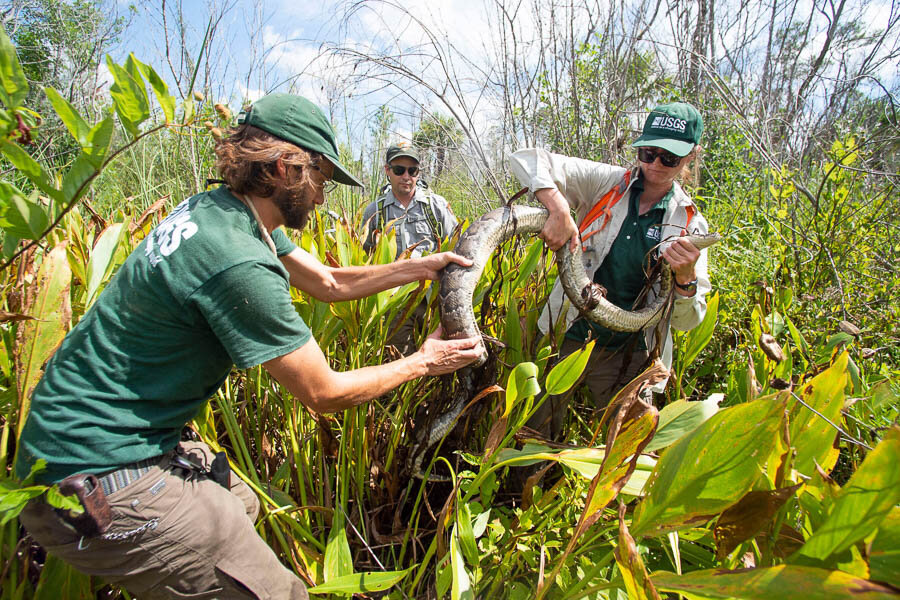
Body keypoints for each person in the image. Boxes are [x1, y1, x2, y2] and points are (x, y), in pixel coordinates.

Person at [15, 93, 482, 599]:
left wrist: (419, 266)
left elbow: (329, 283)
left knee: (242, 502)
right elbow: (323, 392)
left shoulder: (219, 209)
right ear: (285, 168)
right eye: (321, 179)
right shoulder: (237, 259)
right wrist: (423, 362)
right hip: (94, 474)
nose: (323, 197)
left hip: (72, 446)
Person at [509, 102, 712, 439]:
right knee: (535, 432)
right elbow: (526, 159)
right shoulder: (606, 182)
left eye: (669, 158)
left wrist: (685, 277)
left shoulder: (689, 224)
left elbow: (687, 322)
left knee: (631, 449)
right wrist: (558, 207)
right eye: (648, 152)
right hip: (567, 335)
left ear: (691, 156)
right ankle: (525, 490)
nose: (655, 164)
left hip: (629, 354)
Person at [361, 143, 458, 354]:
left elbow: (457, 248)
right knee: (401, 360)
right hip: (395, 303)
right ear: (387, 171)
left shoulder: (437, 207)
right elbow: (365, 258)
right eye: (399, 170)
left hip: (434, 301)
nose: (406, 176)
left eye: (412, 170)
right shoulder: (375, 211)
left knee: (442, 360)